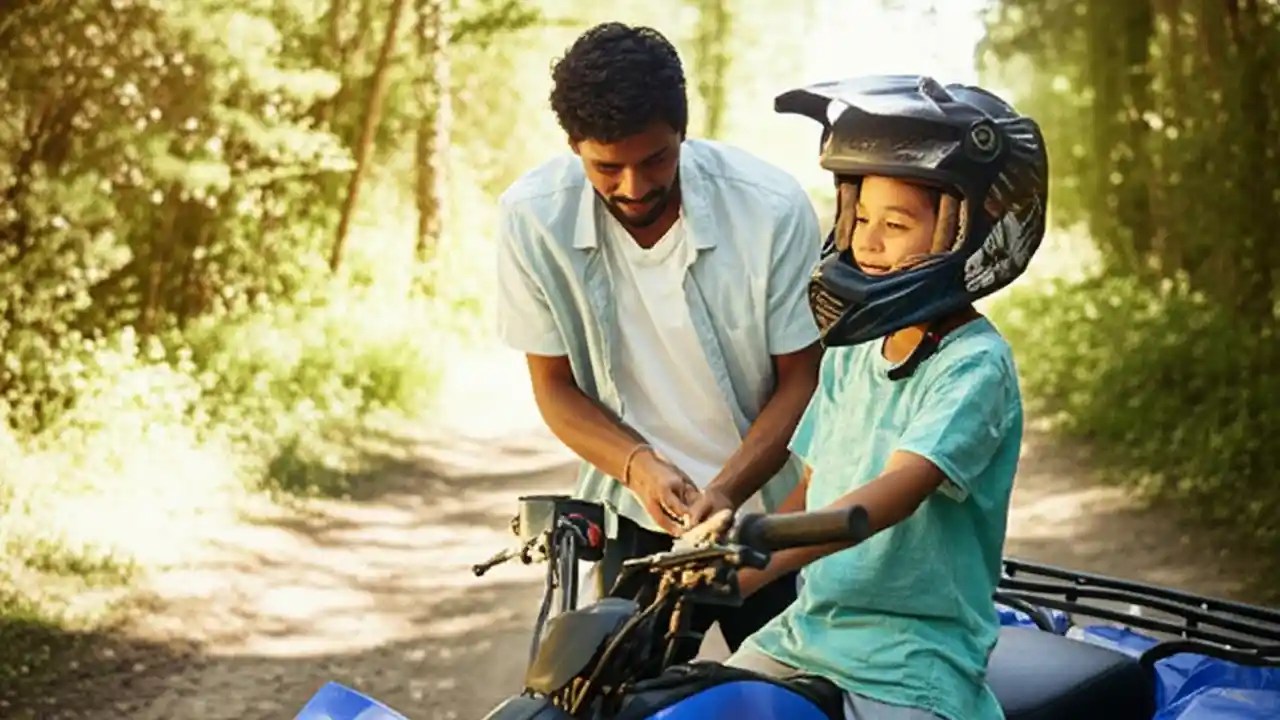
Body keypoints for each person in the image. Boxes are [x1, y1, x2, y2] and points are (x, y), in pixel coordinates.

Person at [713, 75, 1051, 720]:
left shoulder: (974, 366)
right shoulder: (851, 349)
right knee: (696, 702)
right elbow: (816, 486)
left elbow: (893, 494)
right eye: (860, 217)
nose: (866, 241)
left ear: (962, 234)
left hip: (916, 656)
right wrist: (725, 573)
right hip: (810, 631)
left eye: (894, 224)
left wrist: (762, 538)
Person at [492, 22, 824, 655]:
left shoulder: (771, 209)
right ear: (573, 145)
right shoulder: (531, 218)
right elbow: (555, 389)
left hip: (777, 512)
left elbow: (803, 380)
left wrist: (726, 490)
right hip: (636, 511)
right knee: (615, 691)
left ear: (683, 130)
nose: (634, 188)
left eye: (655, 160)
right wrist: (639, 465)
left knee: (799, 694)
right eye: (606, 167)